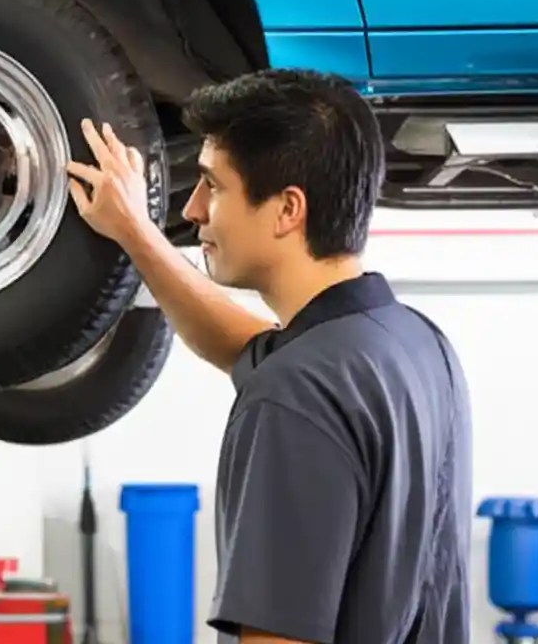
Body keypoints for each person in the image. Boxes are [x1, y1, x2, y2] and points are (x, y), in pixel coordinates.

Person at [66, 69, 472, 644]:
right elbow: (241, 343)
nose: (193, 210)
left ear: (287, 210)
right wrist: (136, 232)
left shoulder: (294, 394)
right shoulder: (414, 345)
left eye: (213, 186)